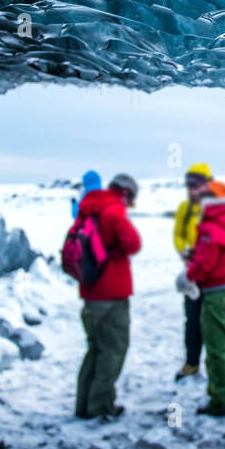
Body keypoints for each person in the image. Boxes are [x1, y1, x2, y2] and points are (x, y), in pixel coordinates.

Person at [73, 172, 142, 419]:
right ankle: (100, 407)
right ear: (124, 193)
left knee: (95, 350)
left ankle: (83, 406)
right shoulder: (113, 209)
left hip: (90, 294)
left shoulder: (88, 207)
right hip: (111, 295)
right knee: (112, 351)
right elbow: (133, 243)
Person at [181, 180, 225, 416]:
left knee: (217, 348)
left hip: (217, 294)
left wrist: (187, 277)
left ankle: (220, 401)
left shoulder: (211, 228)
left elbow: (205, 263)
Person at [172, 162, 213, 381]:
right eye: (189, 185)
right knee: (192, 319)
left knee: (215, 321)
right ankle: (192, 363)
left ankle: (217, 366)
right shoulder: (184, 209)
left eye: (196, 185)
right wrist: (183, 253)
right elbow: (178, 233)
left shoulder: (217, 208)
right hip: (192, 274)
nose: (192, 190)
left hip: (214, 276)